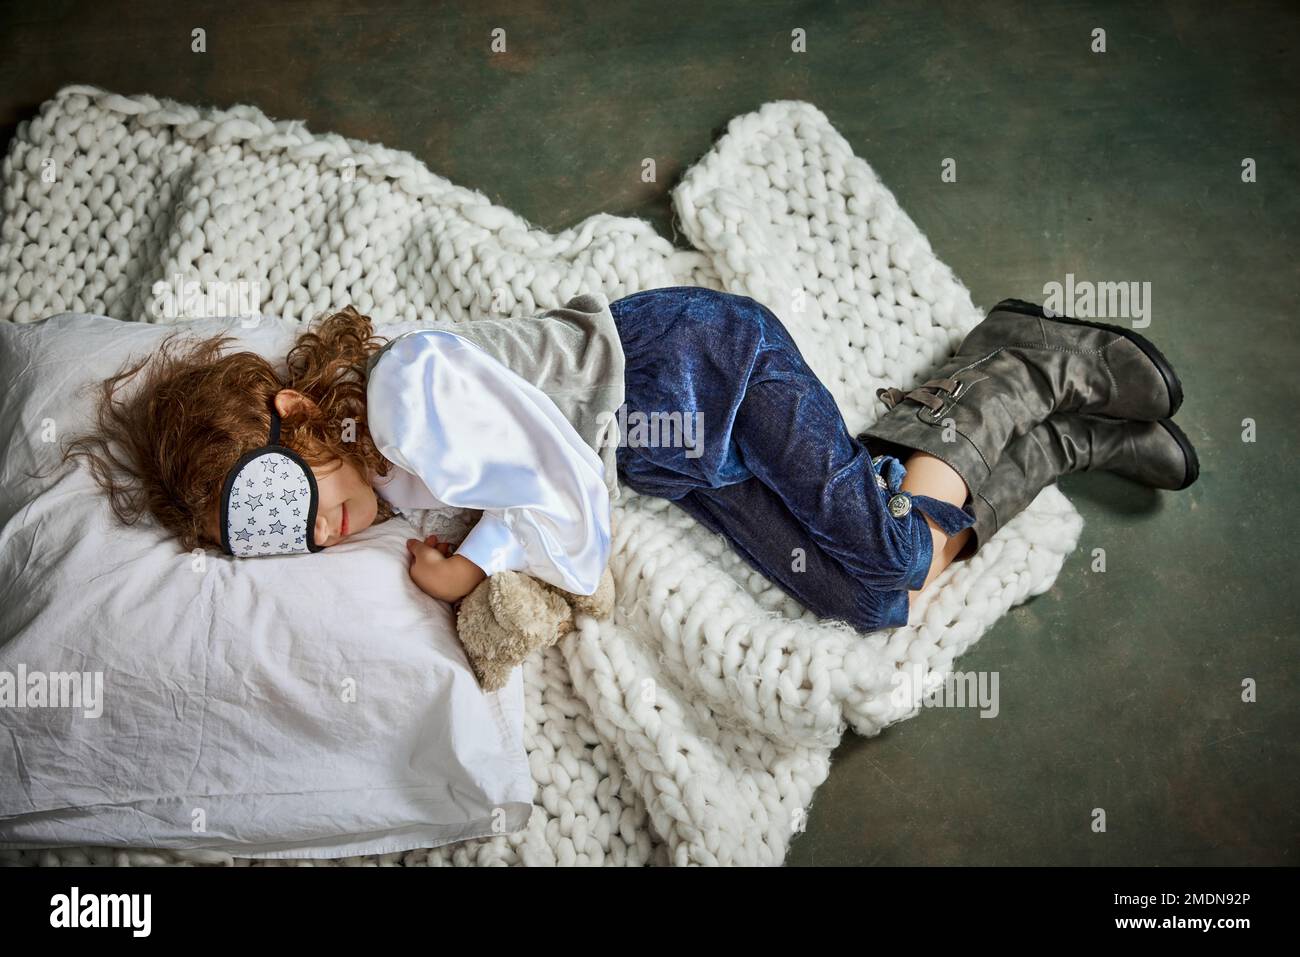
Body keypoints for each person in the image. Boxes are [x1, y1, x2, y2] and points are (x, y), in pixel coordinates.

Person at [64, 288, 1197, 633]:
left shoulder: (405, 404)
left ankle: (1015, 366)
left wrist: (482, 571)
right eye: (281, 543)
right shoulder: (386, 487)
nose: (318, 538)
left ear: (303, 413)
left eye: (289, 504)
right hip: (672, 459)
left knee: (897, 550)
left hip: (705, 369)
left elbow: (553, 479)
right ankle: (1059, 437)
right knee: (873, 600)